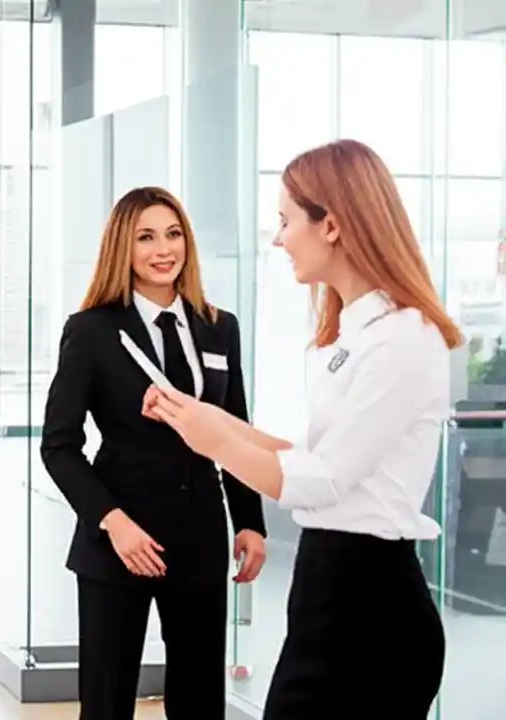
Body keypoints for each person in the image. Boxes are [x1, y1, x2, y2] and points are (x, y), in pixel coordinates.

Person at [146, 139, 456, 719]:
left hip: (370, 610)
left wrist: (212, 441)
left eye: (286, 221)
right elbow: (313, 456)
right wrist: (206, 417)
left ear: (332, 224)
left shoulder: (403, 337)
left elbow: (322, 480)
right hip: (328, 592)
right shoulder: (354, 335)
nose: (278, 237)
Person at [39, 186, 268, 720]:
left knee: (199, 700)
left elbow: (234, 431)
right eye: (146, 237)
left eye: (173, 234)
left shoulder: (219, 326)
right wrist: (112, 522)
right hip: (120, 538)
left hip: (199, 536)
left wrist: (250, 520)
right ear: (124, 246)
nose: (163, 249)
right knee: (107, 700)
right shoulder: (91, 330)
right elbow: (59, 447)